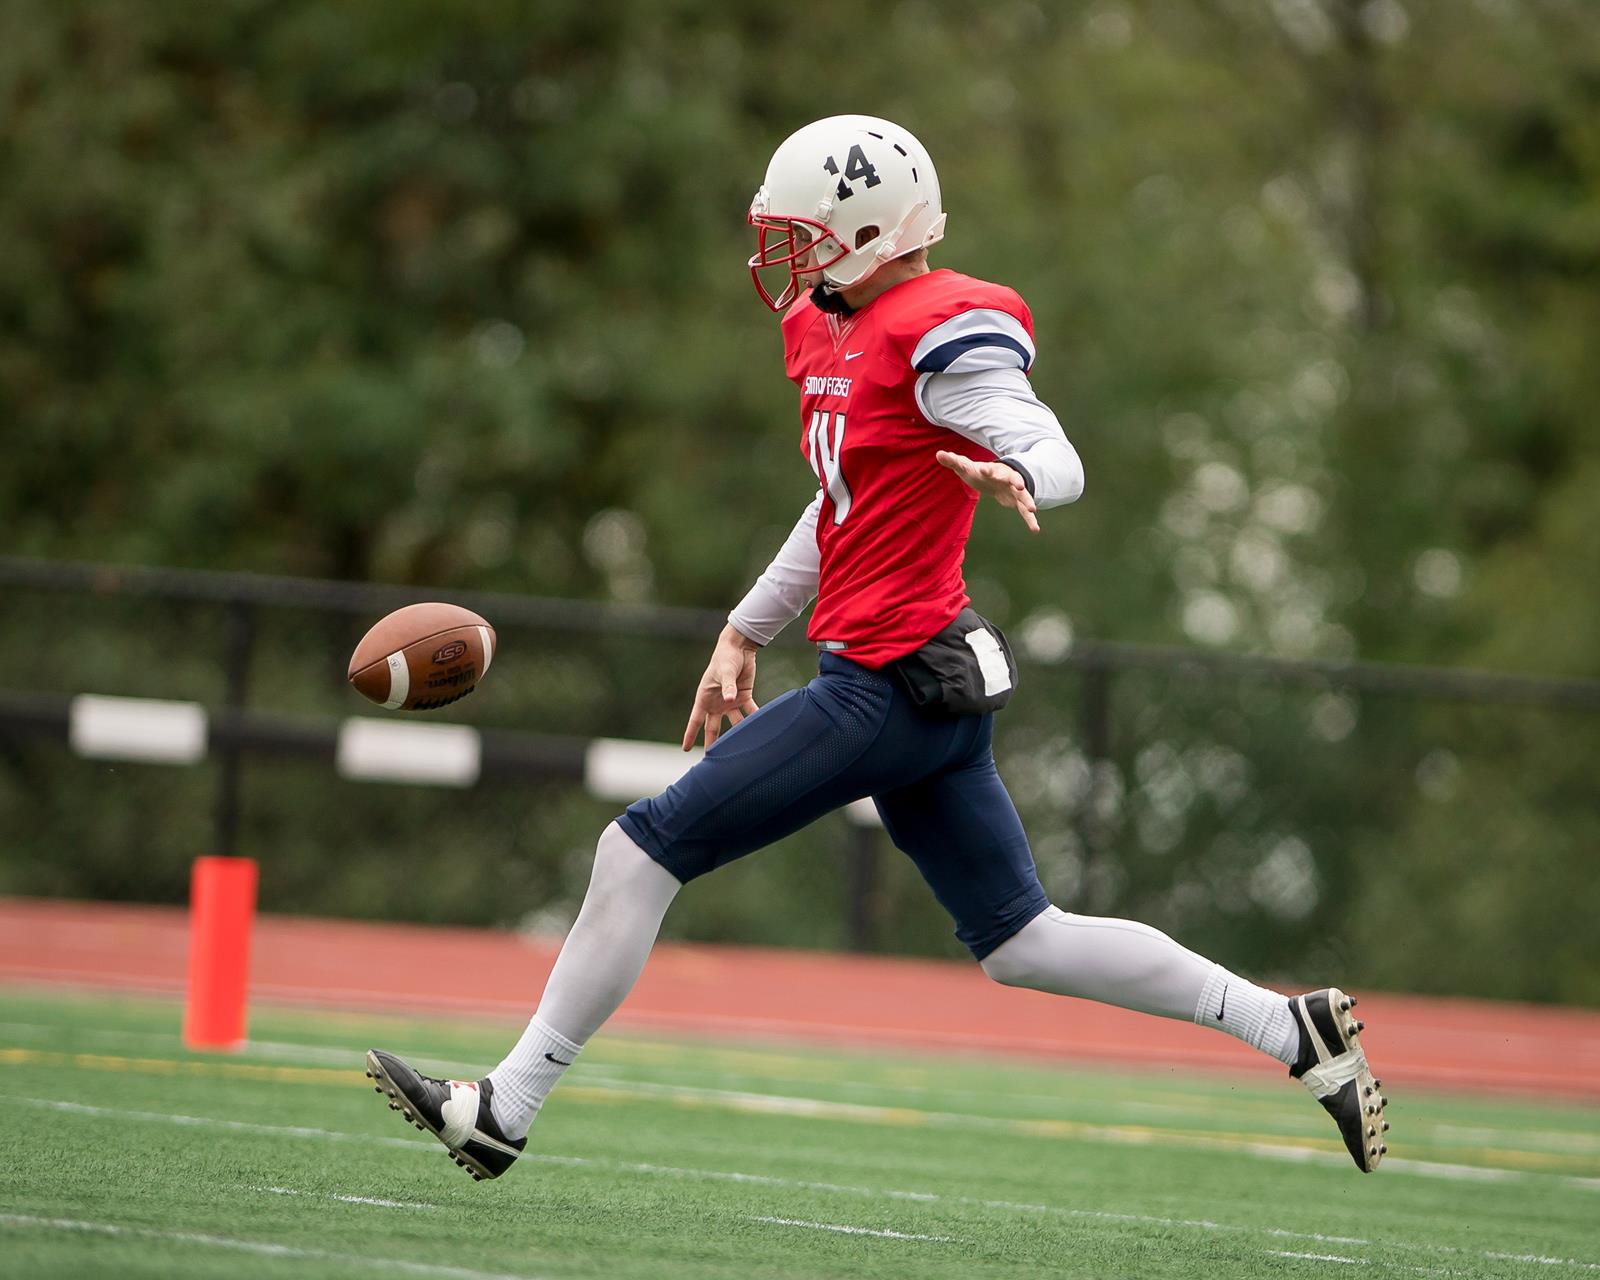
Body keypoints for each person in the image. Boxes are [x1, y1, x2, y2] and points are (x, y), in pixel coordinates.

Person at [366, 115, 1389, 1179]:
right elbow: (840, 500)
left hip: (887, 690)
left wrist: (1019, 474)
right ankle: (1291, 1028)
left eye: (806, 234)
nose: (789, 258)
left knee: (638, 847)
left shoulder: (941, 333)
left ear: (866, 229)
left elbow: (1055, 452)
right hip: (929, 684)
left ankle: (506, 1106)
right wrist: (744, 626)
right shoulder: (829, 327)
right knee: (1021, 940)